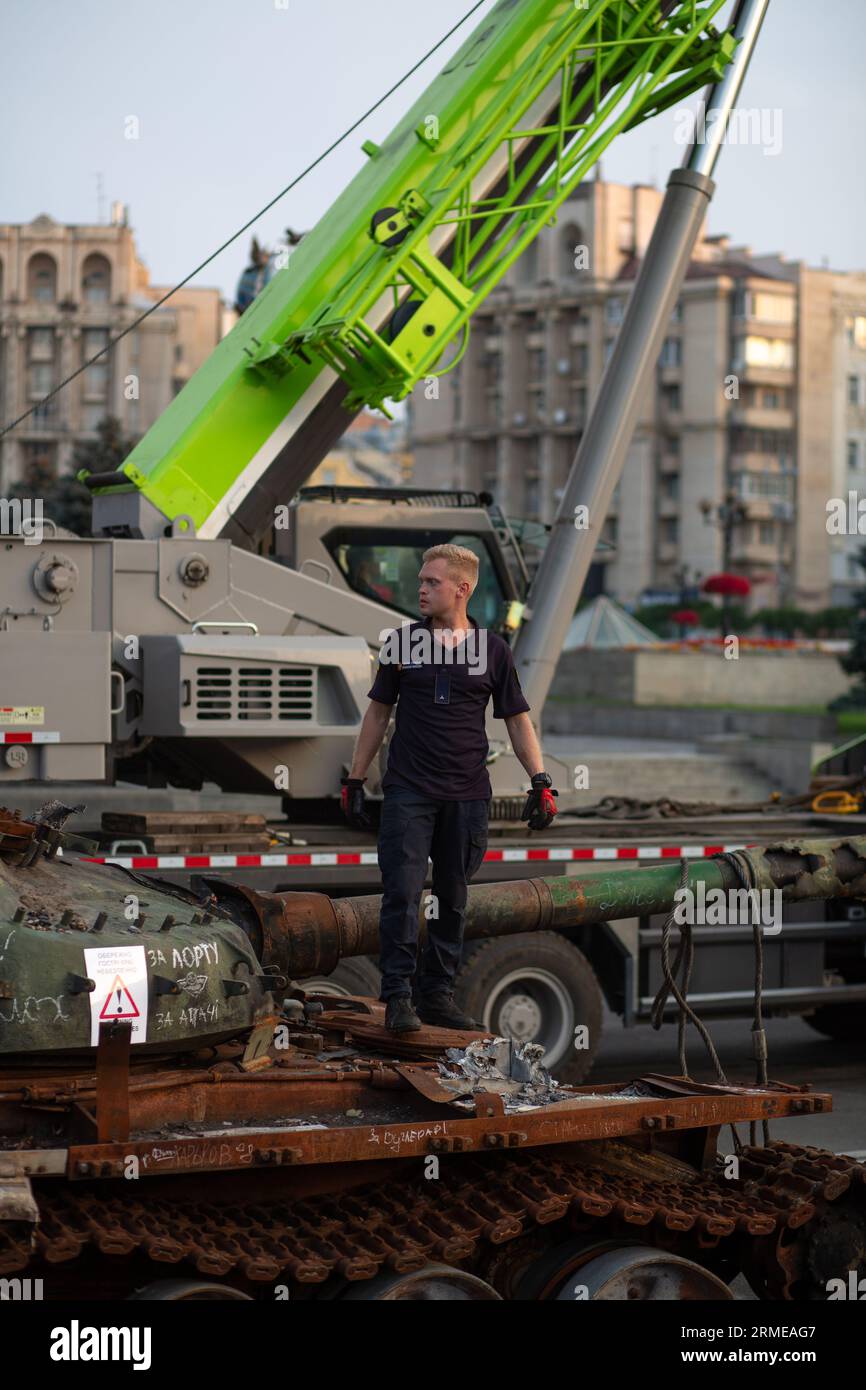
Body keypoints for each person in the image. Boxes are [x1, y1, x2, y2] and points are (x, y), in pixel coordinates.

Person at [340, 543, 558, 1034]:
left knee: (453, 897)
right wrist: (356, 777)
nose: (420, 589)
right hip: (409, 791)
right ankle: (397, 995)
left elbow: (518, 721)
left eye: (431, 583)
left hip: (466, 795)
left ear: (462, 590)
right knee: (401, 892)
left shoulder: (493, 650)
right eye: (420, 581)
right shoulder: (400, 644)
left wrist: (540, 781)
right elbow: (378, 714)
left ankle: (436, 994)